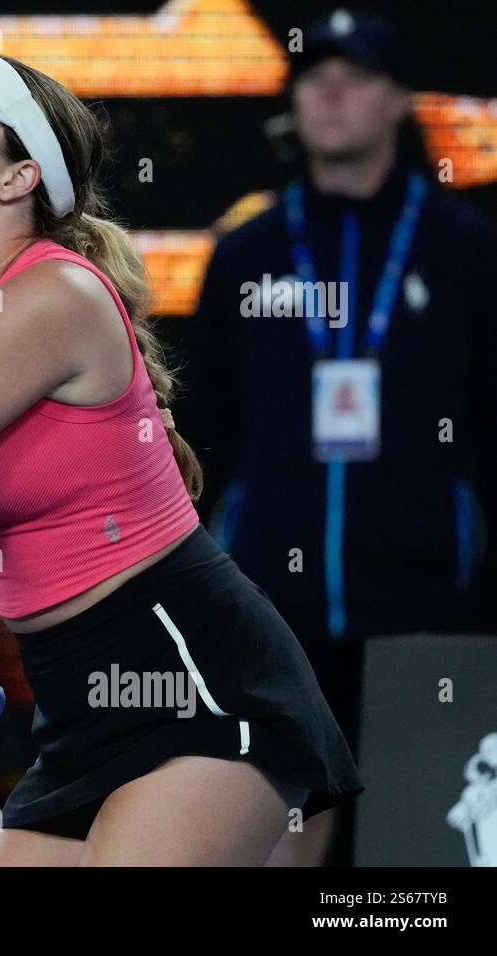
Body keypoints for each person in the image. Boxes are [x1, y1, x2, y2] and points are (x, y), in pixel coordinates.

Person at [0, 29, 363, 866]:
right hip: (75, 700)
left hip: (189, 666)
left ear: (17, 177)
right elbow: (5, 499)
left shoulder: (53, 295)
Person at [176, 9, 497, 866]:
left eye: (354, 75)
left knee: (431, 847)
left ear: (398, 99)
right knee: (284, 835)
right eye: (314, 75)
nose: (330, 92)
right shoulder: (247, 252)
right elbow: (200, 426)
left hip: (432, 603)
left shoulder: (464, 248)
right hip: (275, 606)